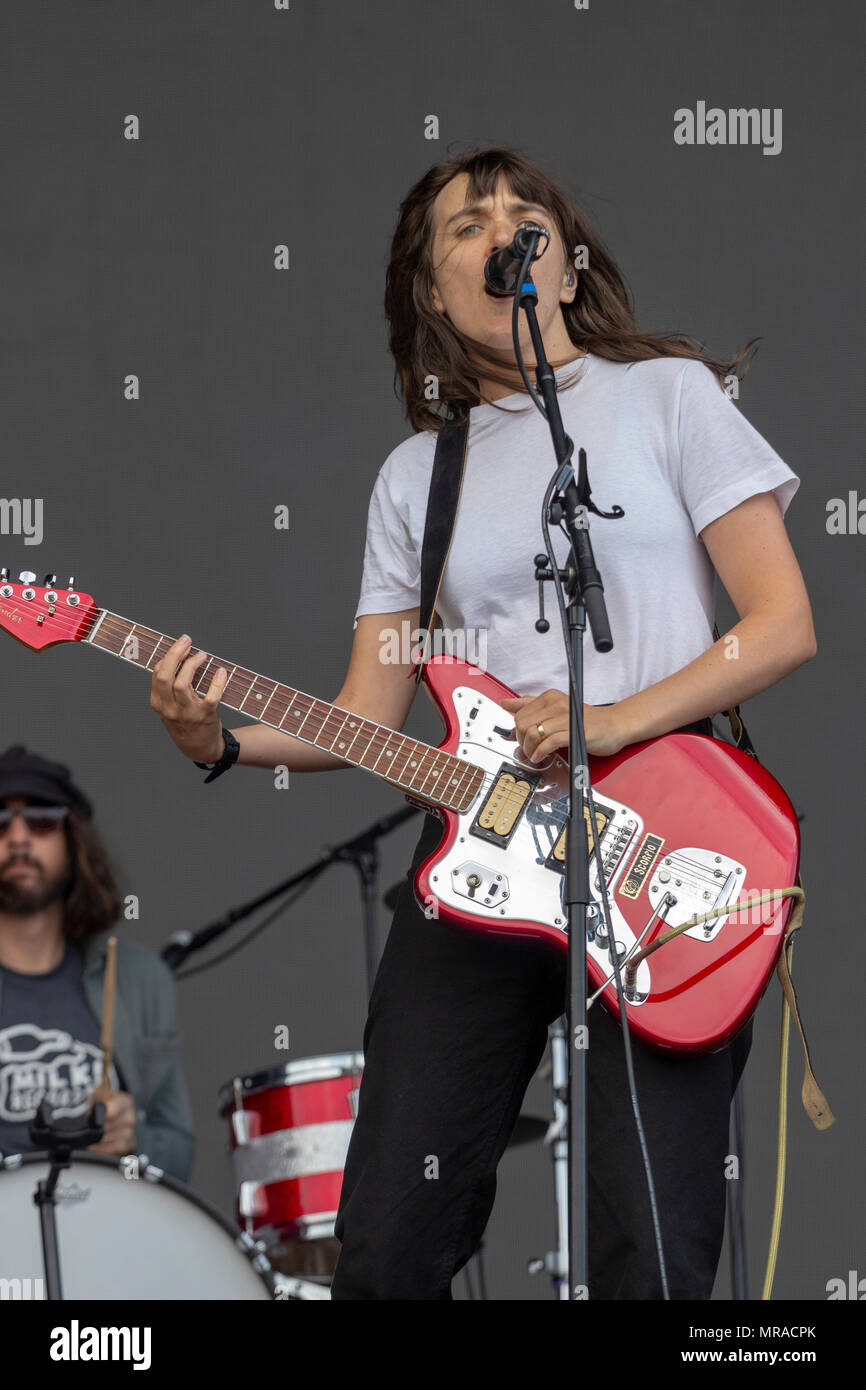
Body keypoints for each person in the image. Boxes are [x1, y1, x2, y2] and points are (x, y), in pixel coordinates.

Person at [148, 146, 816, 1298]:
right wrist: (222, 740)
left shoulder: (667, 397)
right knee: (392, 1238)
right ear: (432, 288)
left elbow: (779, 621)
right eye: (467, 224)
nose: (503, 232)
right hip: (484, 845)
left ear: (566, 265)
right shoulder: (419, 477)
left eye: (525, 216)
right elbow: (369, 710)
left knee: (651, 1248)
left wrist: (611, 719)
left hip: (663, 845)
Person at [0, 745, 194, 1181]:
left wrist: (136, 1140)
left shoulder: (138, 979)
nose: (17, 837)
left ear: (75, 841)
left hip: (108, 1233)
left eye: (41, 819)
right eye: (0, 822)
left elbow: (180, 1156)